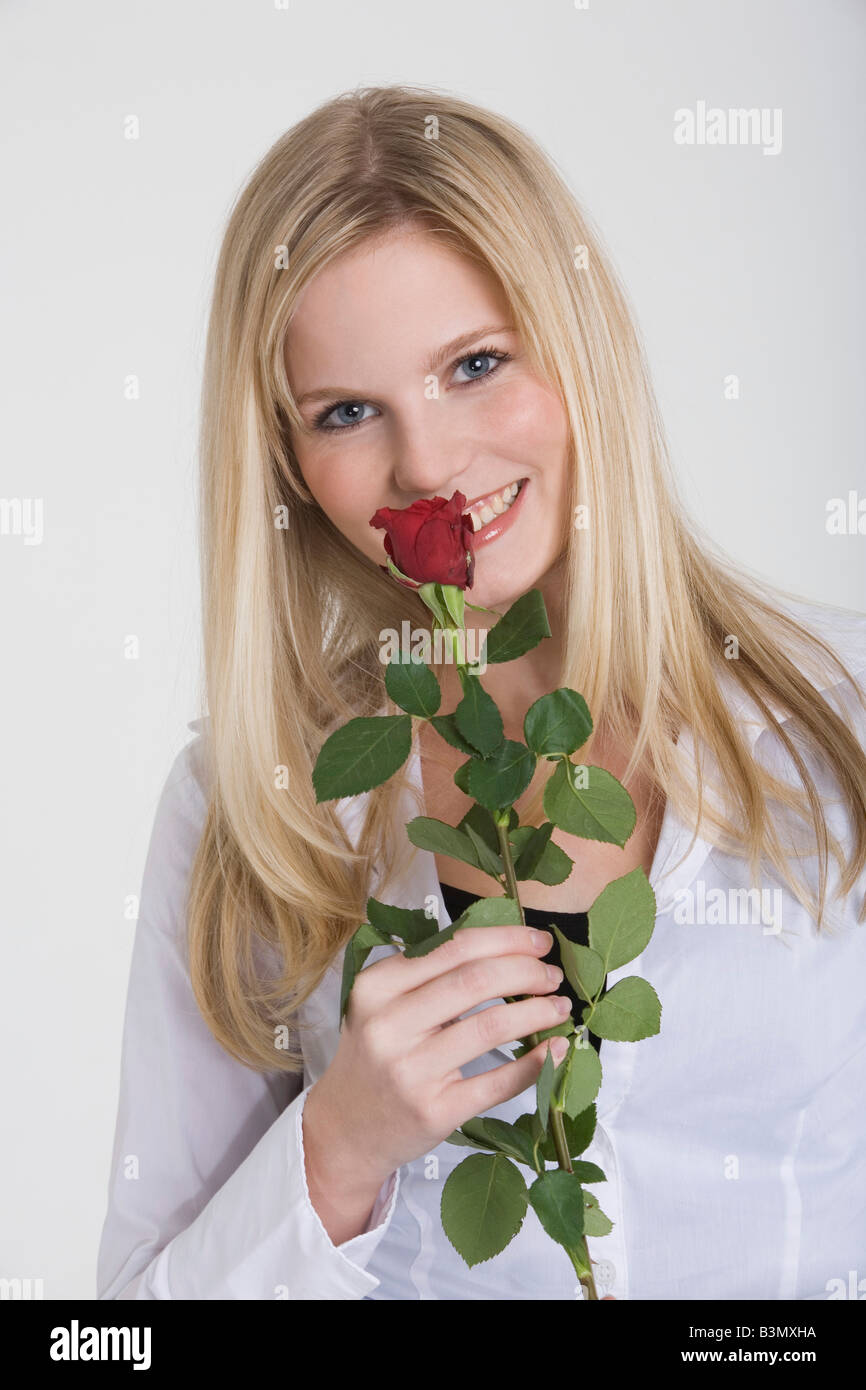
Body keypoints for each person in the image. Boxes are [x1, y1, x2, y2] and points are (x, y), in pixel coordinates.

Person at [97, 85, 866, 1301]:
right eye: (347, 412)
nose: (429, 465)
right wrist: (338, 1147)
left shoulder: (844, 720)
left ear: (578, 344)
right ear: (288, 462)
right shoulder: (254, 803)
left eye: (475, 364)